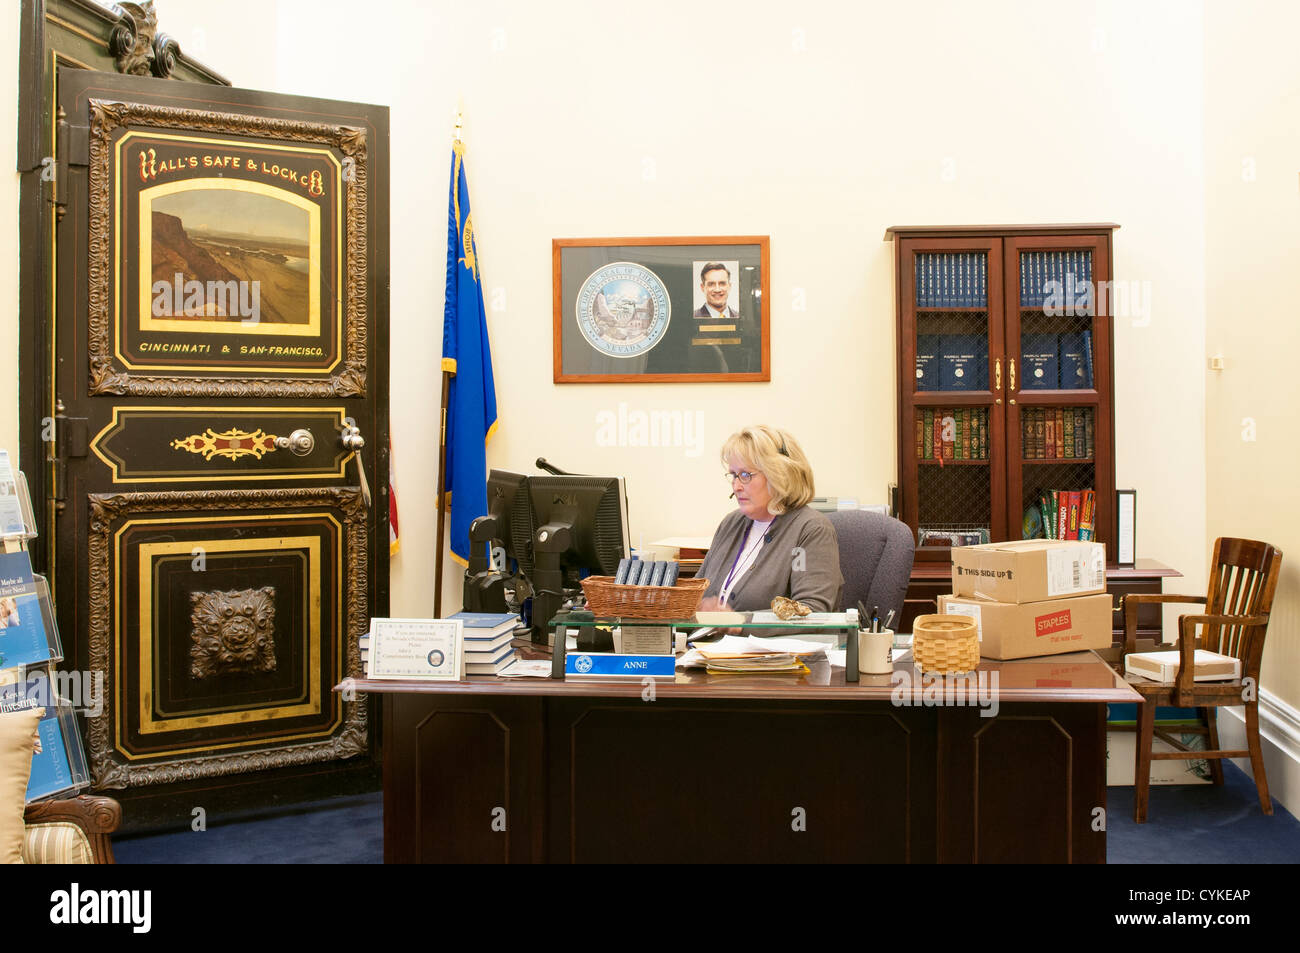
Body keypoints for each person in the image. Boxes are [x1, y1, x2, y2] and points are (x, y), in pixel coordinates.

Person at [696, 425, 842, 613]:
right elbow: (696, 593)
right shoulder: (731, 524)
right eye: (733, 475)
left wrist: (739, 623)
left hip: (771, 643)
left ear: (780, 475)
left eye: (745, 475)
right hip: (706, 642)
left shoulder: (811, 530)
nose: (736, 486)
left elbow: (810, 609)